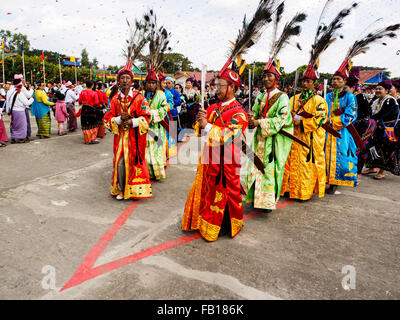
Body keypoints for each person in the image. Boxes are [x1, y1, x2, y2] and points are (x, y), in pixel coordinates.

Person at [281, 58, 328, 202]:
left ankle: (303, 193)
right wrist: (290, 117)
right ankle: (289, 189)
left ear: (315, 84)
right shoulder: (293, 98)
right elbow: (285, 113)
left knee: (305, 166)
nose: (305, 84)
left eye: (308, 81)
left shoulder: (319, 101)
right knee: (290, 162)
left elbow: (320, 119)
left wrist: (300, 121)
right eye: (303, 81)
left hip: (308, 138)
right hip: (293, 136)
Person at [103, 65, 153, 201]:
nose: (125, 80)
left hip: (135, 138)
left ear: (132, 81)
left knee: (134, 162)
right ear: (119, 81)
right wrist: (119, 119)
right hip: (120, 139)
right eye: (122, 78)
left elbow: (148, 117)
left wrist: (133, 122)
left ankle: (135, 190)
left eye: (128, 78)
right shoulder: (115, 100)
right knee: (119, 164)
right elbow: (107, 119)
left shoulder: (139, 98)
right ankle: (122, 189)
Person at [325, 66, 359, 194]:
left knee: (342, 156)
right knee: (325, 155)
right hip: (327, 131)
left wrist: (332, 120)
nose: (334, 81)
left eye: (338, 79)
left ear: (344, 81)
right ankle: (327, 179)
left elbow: (351, 115)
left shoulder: (350, 97)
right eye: (333, 79)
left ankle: (335, 182)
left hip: (342, 132)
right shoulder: (328, 96)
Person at [364, 80, 400, 178]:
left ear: (387, 90)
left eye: (380, 89)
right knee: (373, 146)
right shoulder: (375, 101)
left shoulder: (390, 100)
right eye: (377, 89)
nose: (378, 90)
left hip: (388, 130)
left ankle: (381, 172)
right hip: (378, 128)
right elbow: (372, 113)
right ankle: (371, 167)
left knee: (385, 149)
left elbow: (383, 114)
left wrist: (370, 120)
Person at [142, 65, 171, 180]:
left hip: (156, 127)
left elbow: (163, 109)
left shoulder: (161, 95)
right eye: (149, 82)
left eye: (153, 83)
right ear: (145, 83)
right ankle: (147, 173)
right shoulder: (141, 94)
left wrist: (150, 114)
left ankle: (158, 174)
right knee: (145, 151)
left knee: (157, 151)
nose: (151, 85)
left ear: (156, 84)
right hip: (144, 128)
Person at [5, 78, 34, 143]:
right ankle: (21, 138)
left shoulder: (9, 91)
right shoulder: (19, 93)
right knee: (22, 125)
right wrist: (32, 98)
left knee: (14, 125)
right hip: (20, 111)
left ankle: (13, 137)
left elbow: (7, 102)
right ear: (20, 85)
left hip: (13, 111)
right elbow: (27, 103)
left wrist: (8, 111)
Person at [78, 80, 101, 145]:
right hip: (91, 109)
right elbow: (97, 102)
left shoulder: (82, 92)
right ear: (92, 85)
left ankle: (87, 139)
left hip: (84, 108)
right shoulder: (94, 93)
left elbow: (79, 101)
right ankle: (92, 138)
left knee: (85, 123)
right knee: (93, 123)